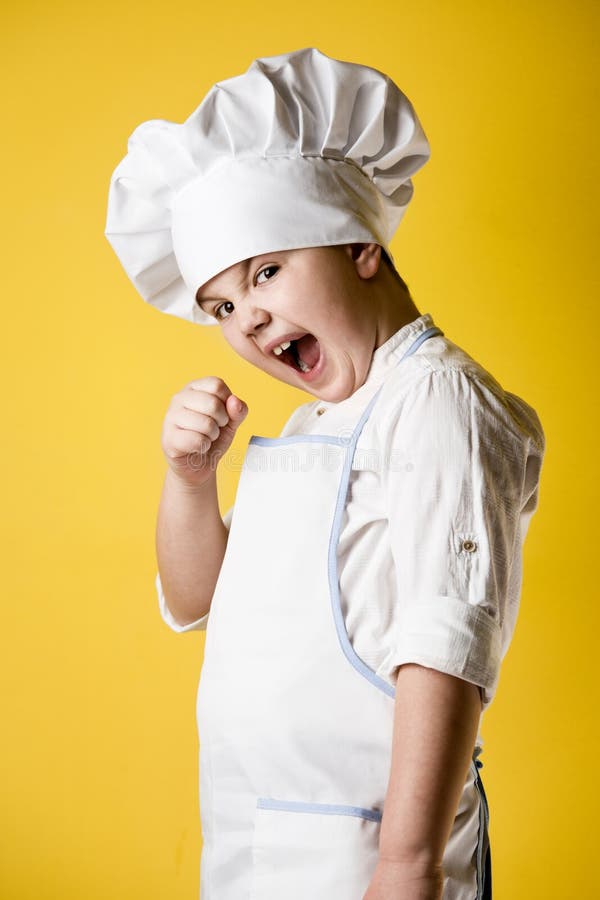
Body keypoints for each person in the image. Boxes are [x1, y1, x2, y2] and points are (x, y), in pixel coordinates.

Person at [105, 47, 545, 900]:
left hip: (371, 854)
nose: (248, 318)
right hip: (255, 842)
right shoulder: (319, 422)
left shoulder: (437, 399)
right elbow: (197, 602)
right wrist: (190, 479)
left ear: (360, 247)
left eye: (266, 272)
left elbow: (446, 644)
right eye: (222, 306)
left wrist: (408, 863)